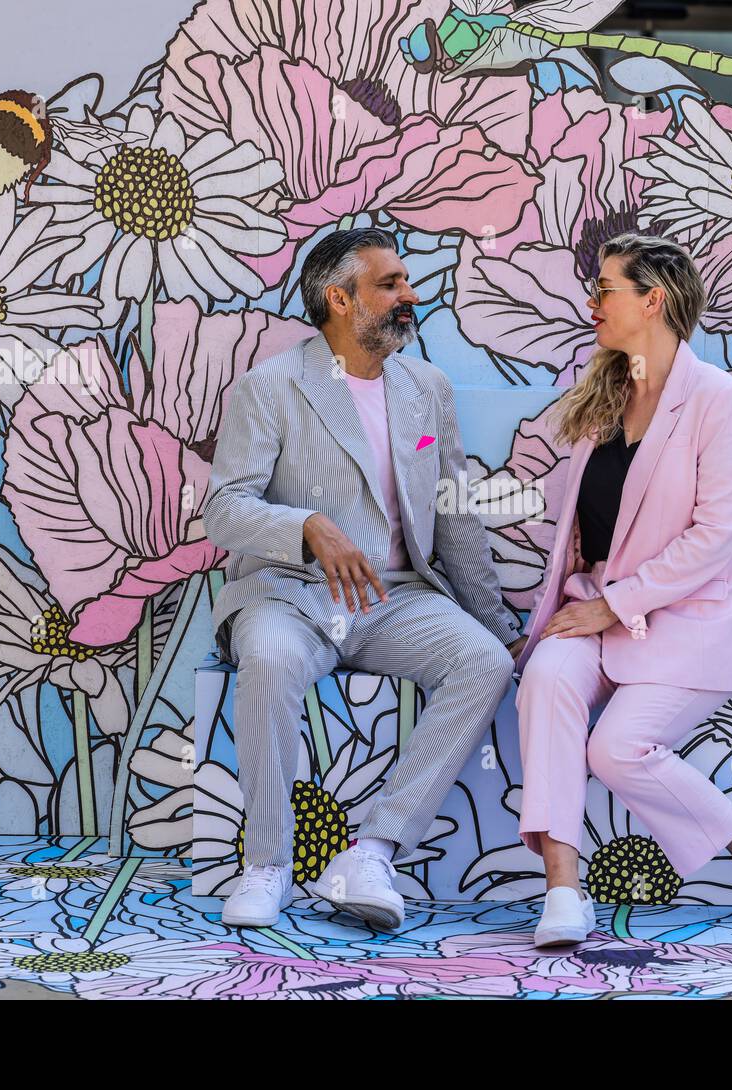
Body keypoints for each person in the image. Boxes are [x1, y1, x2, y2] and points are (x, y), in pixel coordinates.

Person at [202, 228, 525, 930]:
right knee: (268, 660)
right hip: (290, 595)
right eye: (390, 284)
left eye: (405, 282)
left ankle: (372, 852)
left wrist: (500, 626)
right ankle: (267, 864)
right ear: (339, 299)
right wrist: (308, 528)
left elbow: (454, 517)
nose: (409, 296)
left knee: (484, 662)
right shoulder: (272, 387)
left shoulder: (427, 388)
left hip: (395, 597)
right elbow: (224, 510)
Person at [512, 232, 732, 947]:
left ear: (653, 299)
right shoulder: (604, 394)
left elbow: (717, 536)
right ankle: (562, 891)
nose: (592, 303)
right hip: (597, 609)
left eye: (606, 289)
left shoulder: (719, 401)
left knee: (616, 749)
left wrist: (612, 605)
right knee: (544, 680)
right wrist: (581, 603)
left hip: (688, 622)